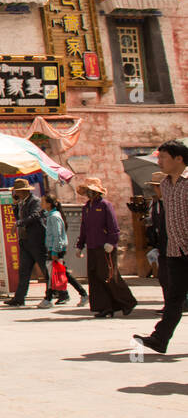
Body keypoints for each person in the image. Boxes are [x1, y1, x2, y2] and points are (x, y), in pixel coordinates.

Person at [135, 142, 188, 353]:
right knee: (173, 299)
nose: (159, 162)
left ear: (179, 159)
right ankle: (160, 339)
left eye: (163, 157)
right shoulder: (165, 184)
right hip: (175, 251)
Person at [75, 177, 137, 319]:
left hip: (105, 246)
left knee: (109, 276)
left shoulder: (105, 205)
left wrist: (111, 242)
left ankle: (127, 301)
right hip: (92, 246)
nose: (89, 193)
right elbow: (84, 228)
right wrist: (80, 245)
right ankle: (104, 306)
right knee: (95, 276)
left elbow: (113, 227)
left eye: (91, 190)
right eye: (88, 190)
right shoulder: (86, 208)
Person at [4, 178, 47, 307]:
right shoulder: (21, 203)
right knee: (24, 270)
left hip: (36, 239)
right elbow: (18, 217)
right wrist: (15, 205)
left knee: (45, 267)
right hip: (24, 240)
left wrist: (19, 223)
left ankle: (58, 292)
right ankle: (19, 298)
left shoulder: (35, 201)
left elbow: (35, 216)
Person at [41, 193, 69, 308]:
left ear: (48, 204)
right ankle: (69, 294)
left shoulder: (54, 217)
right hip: (52, 248)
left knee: (53, 274)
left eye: (43, 201)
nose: (41, 204)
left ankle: (48, 299)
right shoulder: (50, 215)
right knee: (58, 273)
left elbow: (57, 235)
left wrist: (54, 251)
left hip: (55, 249)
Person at [143, 172, 167, 286]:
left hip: (172, 244)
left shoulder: (171, 201)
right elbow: (152, 220)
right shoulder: (154, 203)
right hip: (160, 244)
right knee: (164, 276)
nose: (155, 189)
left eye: (156, 186)